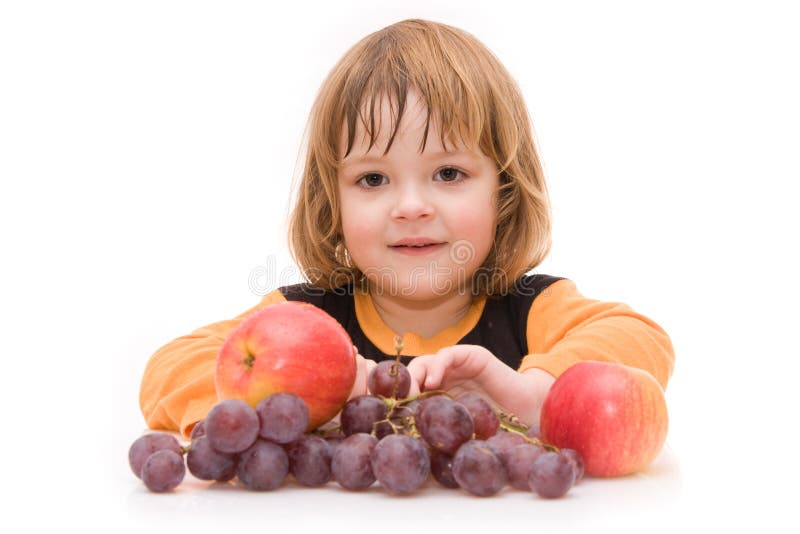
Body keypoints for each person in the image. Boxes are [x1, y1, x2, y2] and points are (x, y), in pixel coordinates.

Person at [139, 19, 674, 439]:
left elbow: (641, 339)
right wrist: (305, 398)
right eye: (373, 178)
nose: (411, 206)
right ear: (333, 202)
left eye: (448, 173)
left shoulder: (531, 307)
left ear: (504, 191)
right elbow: (172, 366)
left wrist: (535, 393)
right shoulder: (305, 319)